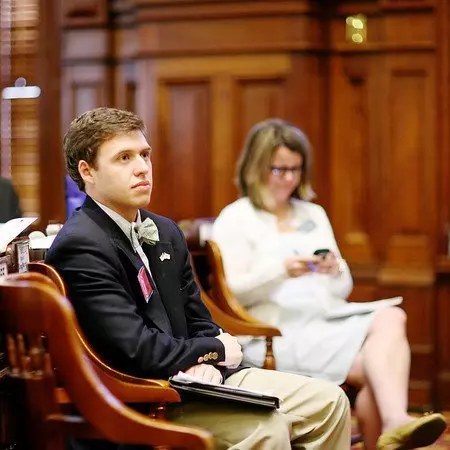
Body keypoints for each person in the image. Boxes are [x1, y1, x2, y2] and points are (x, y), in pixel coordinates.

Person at [46, 107, 351, 450]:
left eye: (144, 155)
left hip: (198, 380)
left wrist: (210, 365)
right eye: (124, 158)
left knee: (330, 402)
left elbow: (199, 318)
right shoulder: (82, 244)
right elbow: (136, 349)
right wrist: (212, 350)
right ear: (87, 171)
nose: (142, 167)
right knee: (268, 427)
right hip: (146, 397)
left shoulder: (164, 231)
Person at [212, 118, 446, 450]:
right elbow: (233, 293)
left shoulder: (312, 214)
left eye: (295, 169)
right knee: (378, 373)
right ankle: (394, 426)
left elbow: (342, 290)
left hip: (324, 320)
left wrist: (334, 270)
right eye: (279, 169)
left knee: (392, 319)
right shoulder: (236, 218)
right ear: (257, 167)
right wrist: (282, 271)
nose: (289, 178)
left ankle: (394, 424)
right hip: (275, 330)